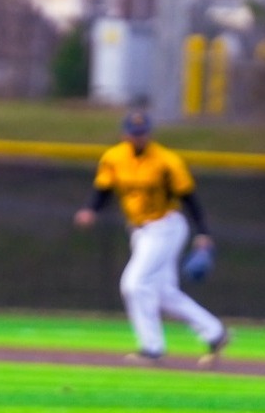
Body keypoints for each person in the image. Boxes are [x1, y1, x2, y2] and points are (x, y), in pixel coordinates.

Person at [74, 110, 229, 366]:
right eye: (134, 133)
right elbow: (103, 188)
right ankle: (215, 332)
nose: (139, 137)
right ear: (125, 133)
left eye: (143, 132)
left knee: (134, 284)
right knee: (163, 292)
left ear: (149, 133)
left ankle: (152, 348)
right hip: (139, 231)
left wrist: (203, 232)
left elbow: (189, 197)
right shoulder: (114, 157)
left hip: (165, 227)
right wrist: (91, 210)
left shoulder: (167, 161)